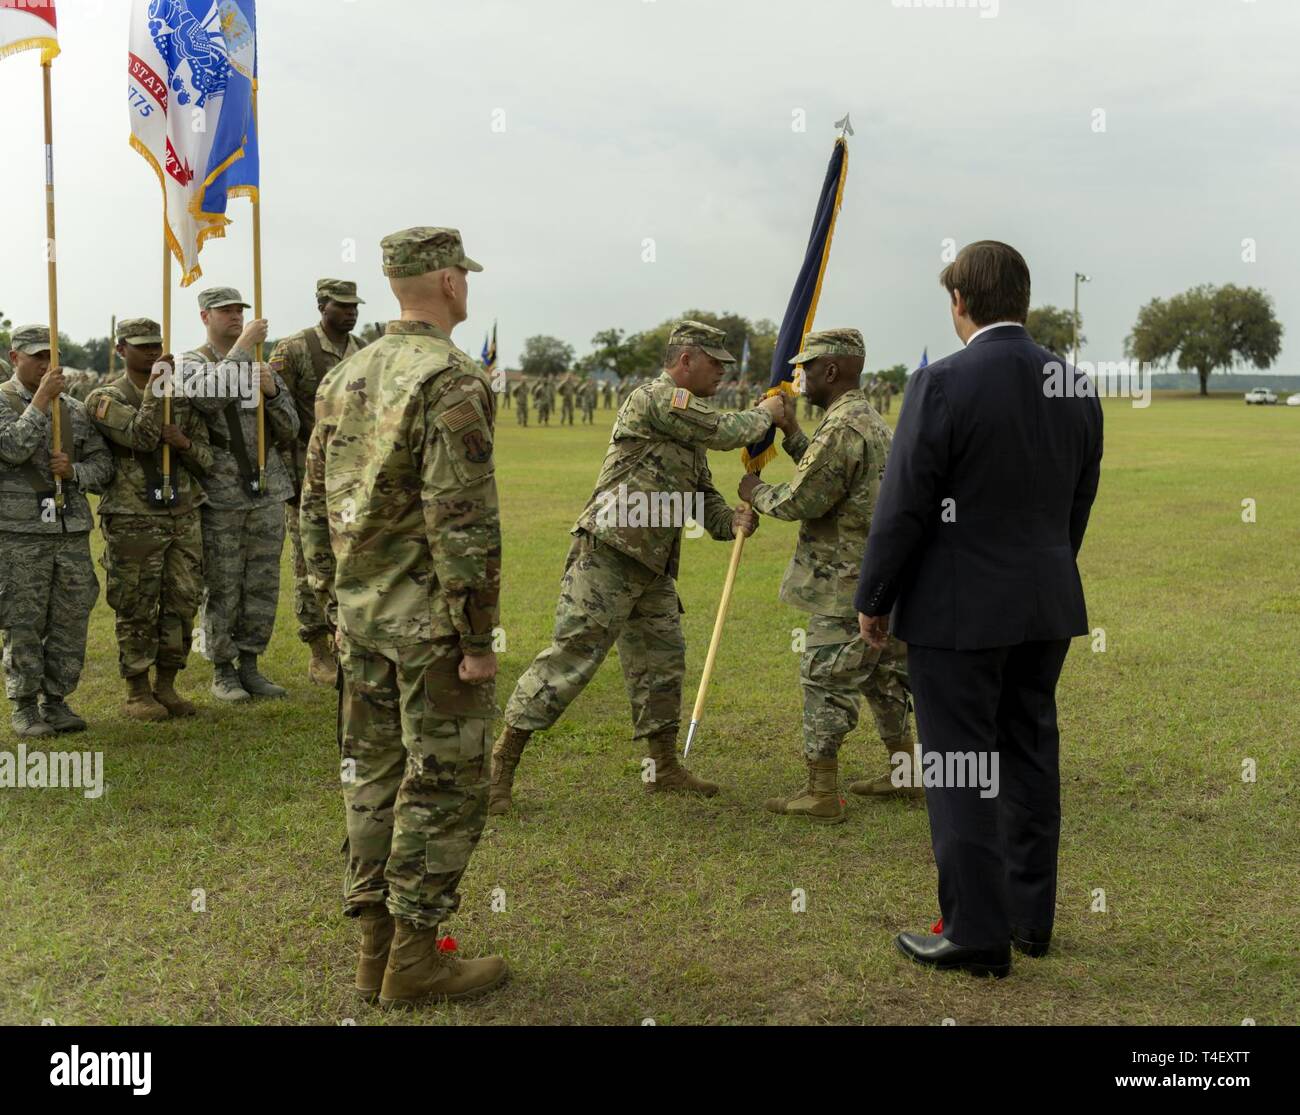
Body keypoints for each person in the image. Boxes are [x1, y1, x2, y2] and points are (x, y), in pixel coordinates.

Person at [856, 241, 1103, 978]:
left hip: (958, 614)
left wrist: (874, 598)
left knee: (962, 765)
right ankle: (1030, 918)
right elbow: (1077, 500)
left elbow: (904, 507)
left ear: (958, 302)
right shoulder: (1075, 384)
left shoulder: (940, 382)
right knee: (1028, 756)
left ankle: (976, 931)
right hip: (1045, 602)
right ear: (1022, 300)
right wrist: (1050, 571)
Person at [300, 226, 507, 1007]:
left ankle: (373, 952)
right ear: (450, 282)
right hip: (428, 626)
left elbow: (312, 504)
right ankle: (415, 956)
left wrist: (332, 602)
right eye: (465, 276)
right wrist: (478, 636)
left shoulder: (346, 373)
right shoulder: (449, 378)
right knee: (443, 780)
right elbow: (462, 520)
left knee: (374, 773)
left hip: (363, 619)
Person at [489, 320, 791, 813]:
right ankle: (501, 767)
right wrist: (767, 412)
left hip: (652, 566)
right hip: (608, 554)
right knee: (571, 660)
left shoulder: (687, 426)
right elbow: (725, 430)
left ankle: (663, 767)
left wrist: (729, 519)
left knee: (661, 663)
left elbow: (699, 495)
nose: (722, 373)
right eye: (716, 363)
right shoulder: (655, 399)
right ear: (686, 359)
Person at [740, 330, 915, 824]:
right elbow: (831, 477)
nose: (800, 378)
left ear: (832, 371)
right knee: (883, 676)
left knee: (823, 675)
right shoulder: (866, 420)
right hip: (878, 579)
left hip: (846, 584)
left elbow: (805, 499)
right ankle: (906, 774)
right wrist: (793, 433)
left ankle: (820, 793)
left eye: (808, 369)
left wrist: (754, 490)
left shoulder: (842, 428)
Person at [86, 318, 211, 721]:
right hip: (133, 516)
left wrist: (184, 443)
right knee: (136, 603)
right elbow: (140, 437)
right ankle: (137, 690)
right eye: (142, 346)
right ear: (121, 349)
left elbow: (207, 459)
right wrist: (159, 390)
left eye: (157, 344)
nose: (153, 352)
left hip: (182, 513)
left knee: (183, 600)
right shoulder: (104, 398)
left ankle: (167, 684)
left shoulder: (184, 398)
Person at [182, 288, 299, 702]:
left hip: (266, 485)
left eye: (239, 311)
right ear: (204, 316)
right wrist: (243, 347)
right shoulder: (192, 362)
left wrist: (273, 393)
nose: (235, 317)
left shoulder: (259, 364)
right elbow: (206, 398)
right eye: (225, 311)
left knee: (262, 582)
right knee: (224, 581)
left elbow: (290, 428)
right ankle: (223, 668)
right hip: (222, 488)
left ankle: (251, 663)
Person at [0, 325, 113, 737]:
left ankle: (57, 700)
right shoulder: (4, 401)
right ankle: (25, 706)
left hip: (69, 531)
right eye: (36, 356)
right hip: (20, 533)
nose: (47, 364)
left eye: (52, 356)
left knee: (70, 618)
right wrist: (41, 402)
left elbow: (104, 468)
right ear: (15, 358)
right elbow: (11, 448)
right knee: (24, 620)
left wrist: (76, 471)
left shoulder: (76, 409)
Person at [268, 279, 367, 687]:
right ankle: (319, 649)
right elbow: (276, 416)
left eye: (355, 305)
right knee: (310, 563)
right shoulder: (293, 350)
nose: (351, 311)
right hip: (307, 477)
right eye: (342, 305)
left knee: (354, 558)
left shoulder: (362, 351)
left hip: (356, 478)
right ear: (322, 305)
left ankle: (352, 639)